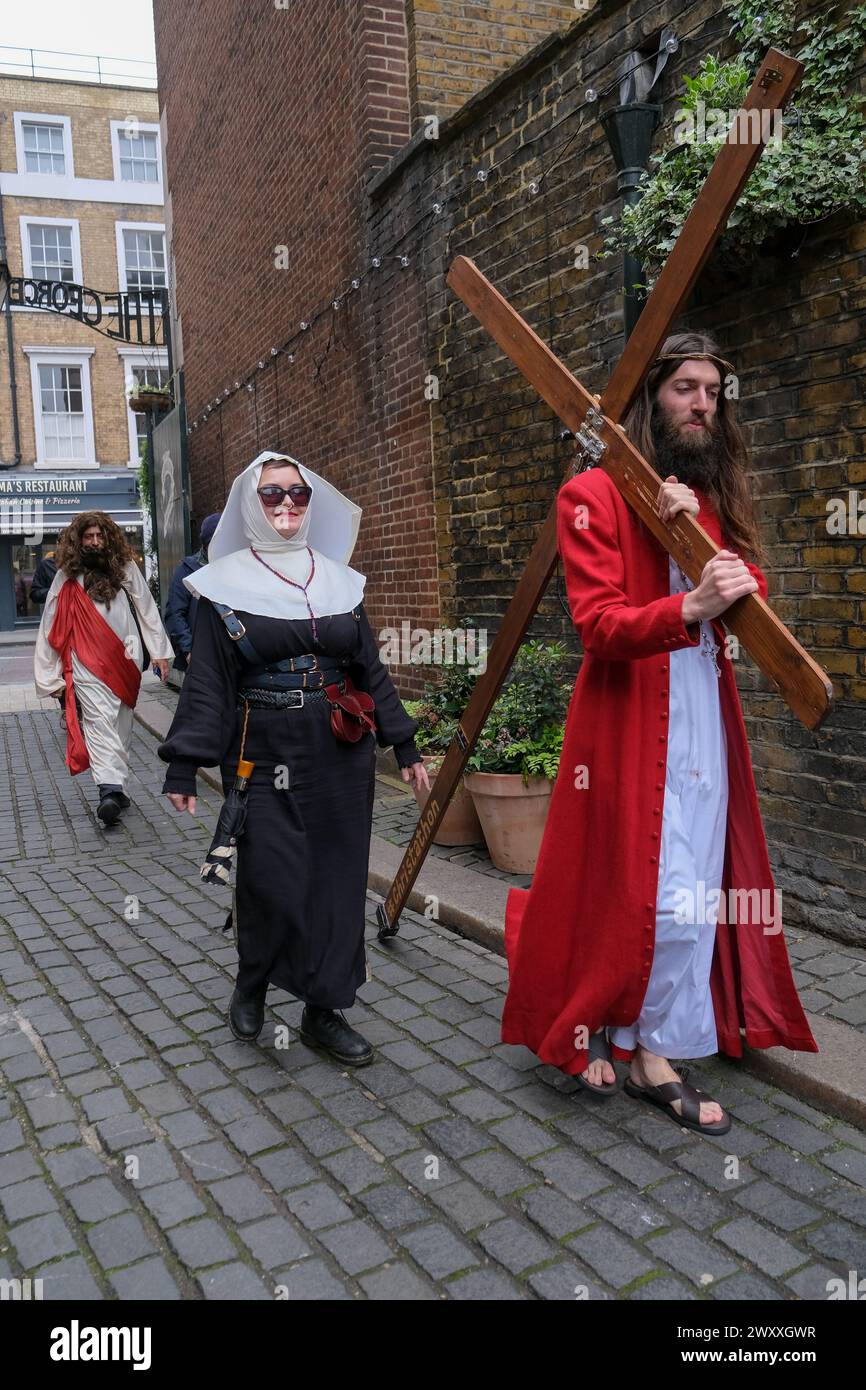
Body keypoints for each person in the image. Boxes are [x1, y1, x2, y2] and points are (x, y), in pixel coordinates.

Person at [501, 331, 817, 1135]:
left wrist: (702, 546)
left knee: (695, 882)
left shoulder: (710, 496)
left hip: (704, 714)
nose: (703, 403)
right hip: (627, 716)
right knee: (630, 880)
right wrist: (684, 587)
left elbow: (748, 588)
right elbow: (599, 624)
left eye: (713, 389)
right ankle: (631, 1044)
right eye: (685, 387)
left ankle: (647, 1032)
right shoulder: (594, 495)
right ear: (650, 397)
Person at [158, 450, 430, 1063]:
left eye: (297, 494)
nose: (286, 503)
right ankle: (253, 976)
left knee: (335, 879)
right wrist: (184, 764)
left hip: (340, 750)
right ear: (249, 506)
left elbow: (369, 668)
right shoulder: (218, 589)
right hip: (261, 748)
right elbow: (209, 688)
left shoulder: (339, 580)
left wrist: (403, 741)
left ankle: (324, 1009)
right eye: (272, 494)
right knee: (271, 876)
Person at [34, 511, 174, 824]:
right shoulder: (67, 575)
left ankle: (117, 786)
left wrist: (160, 652)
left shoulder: (125, 567)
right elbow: (50, 623)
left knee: (122, 723)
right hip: (85, 660)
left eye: (100, 536)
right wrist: (49, 674)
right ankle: (107, 790)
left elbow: (146, 607)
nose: (95, 542)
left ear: (108, 538)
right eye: (89, 537)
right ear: (78, 540)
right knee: (98, 721)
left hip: (124, 657)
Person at [165, 512, 222, 671]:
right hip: (200, 653)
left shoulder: (236, 567)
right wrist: (189, 649)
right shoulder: (187, 569)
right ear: (206, 543)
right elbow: (175, 613)